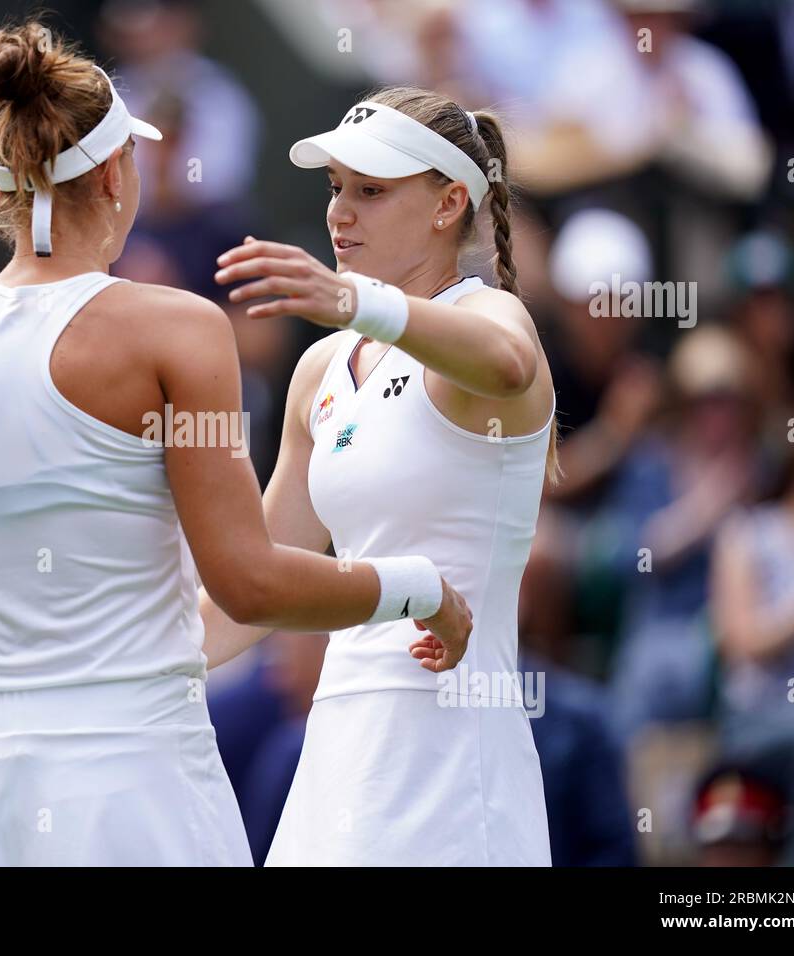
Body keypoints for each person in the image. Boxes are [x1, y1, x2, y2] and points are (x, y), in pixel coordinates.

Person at [0, 21, 473, 867]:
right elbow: (247, 582)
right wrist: (418, 586)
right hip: (149, 803)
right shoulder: (180, 331)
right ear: (113, 174)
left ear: (1, 187)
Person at [200, 87, 558, 864]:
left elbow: (507, 363)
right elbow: (249, 589)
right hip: (338, 752)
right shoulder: (320, 368)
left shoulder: (494, 320)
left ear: (447, 204)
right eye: (335, 189)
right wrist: (90, 682)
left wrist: (357, 301)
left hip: (457, 765)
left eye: (370, 190)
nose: (340, 213)